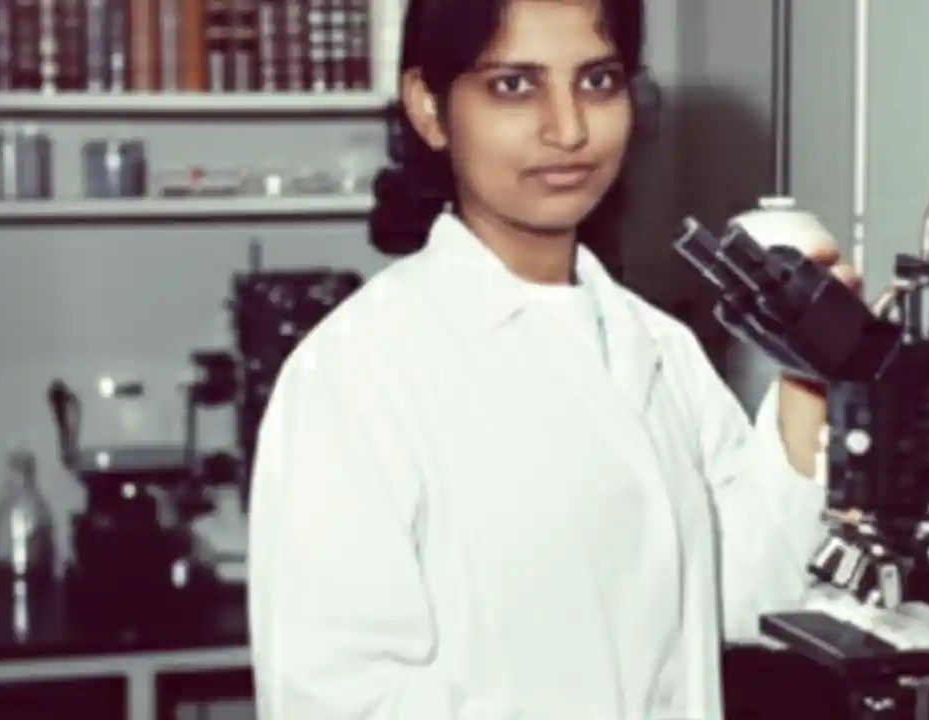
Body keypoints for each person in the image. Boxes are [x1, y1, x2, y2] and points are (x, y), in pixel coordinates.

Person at [247, 0, 860, 717]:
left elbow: (752, 592)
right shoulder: (356, 373)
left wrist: (806, 371)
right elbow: (337, 702)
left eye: (598, 81)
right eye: (514, 85)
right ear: (429, 107)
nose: (568, 129)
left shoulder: (659, 347)